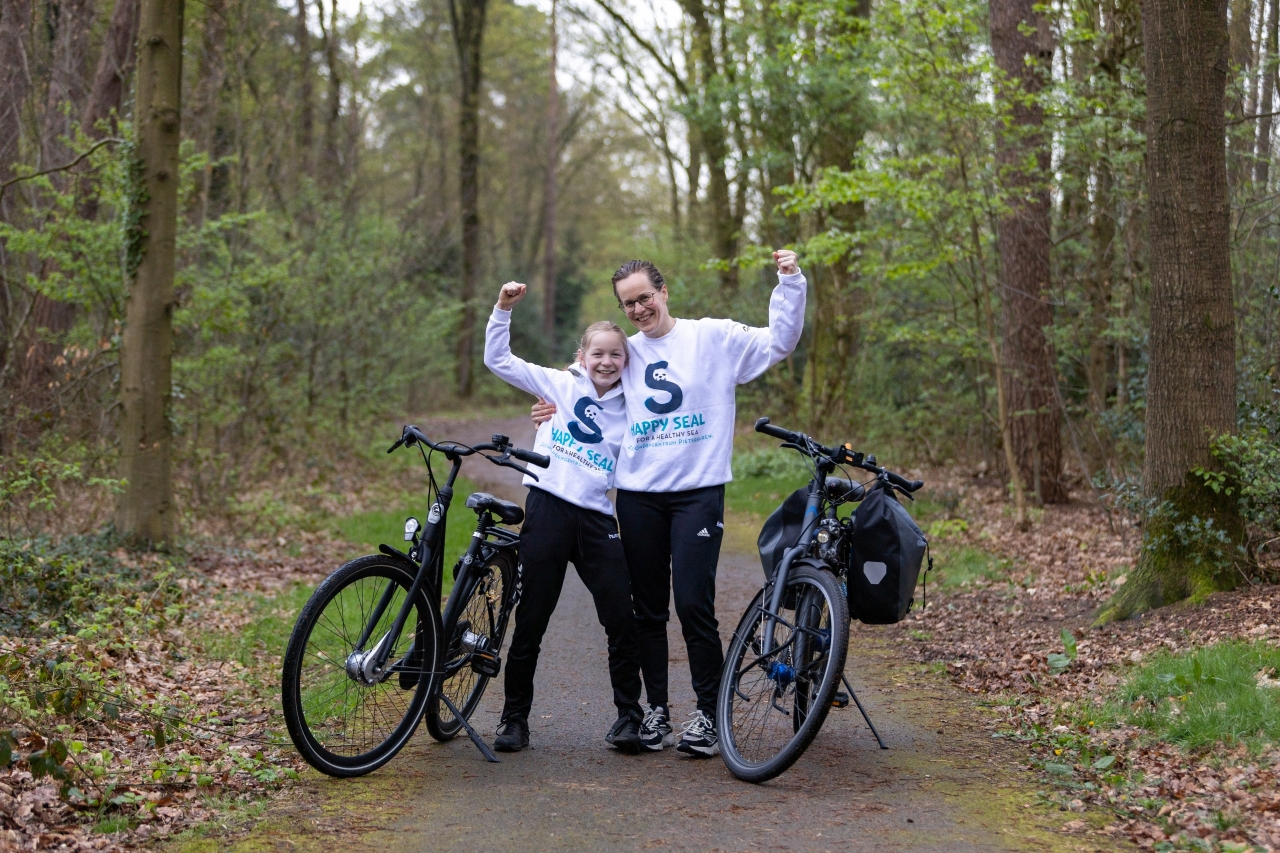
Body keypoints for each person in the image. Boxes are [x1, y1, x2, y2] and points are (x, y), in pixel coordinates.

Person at [532, 251, 807, 757]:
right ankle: (656, 712)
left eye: (643, 298)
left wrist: (789, 282)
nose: (637, 309)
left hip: (698, 493)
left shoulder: (713, 338)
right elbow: (576, 386)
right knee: (648, 610)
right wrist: (549, 413)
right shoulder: (626, 352)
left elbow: (780, 341)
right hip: (639, 498)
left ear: (663, 292)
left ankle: (708, 712)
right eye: (627, 303)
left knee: (694, 604)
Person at [482, 281, 645, 754]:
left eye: (616, 355)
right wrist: (503, 310)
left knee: (621, 617)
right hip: (548, 510)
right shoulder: (556, 385)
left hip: (596, 519)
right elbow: (500, 361)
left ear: (625, 361)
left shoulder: (632, 408)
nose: (607, 362)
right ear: (582, 354)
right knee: (531, 619)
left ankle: (629, 718)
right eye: (598, 353)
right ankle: (514, 720)